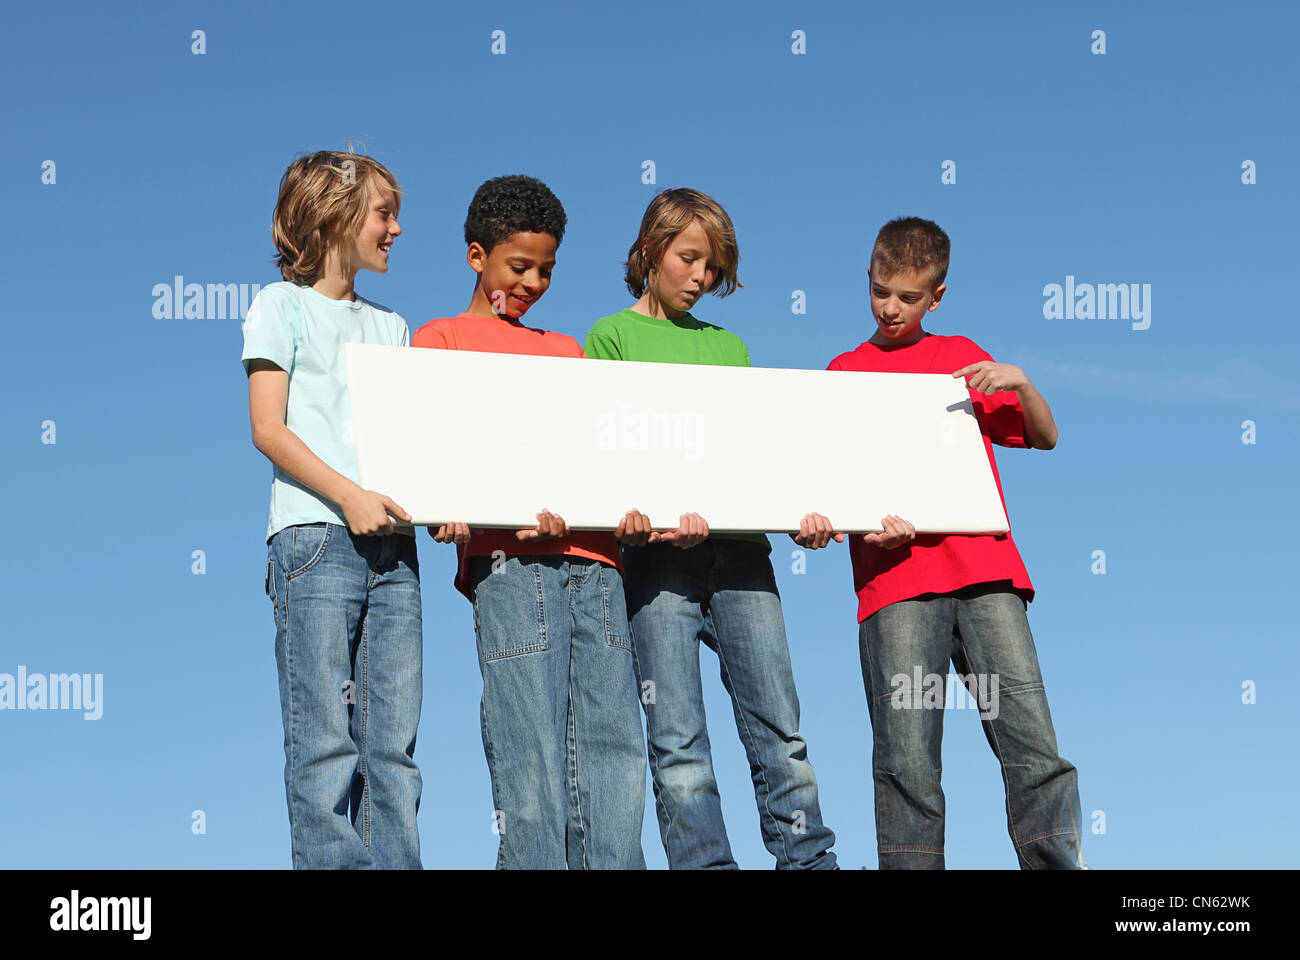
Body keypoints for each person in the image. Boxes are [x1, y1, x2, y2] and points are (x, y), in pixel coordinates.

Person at [585, 187, 839, 869]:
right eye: (689, 258)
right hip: (658, 565)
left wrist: (801, 515)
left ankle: (809, 861)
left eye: (713, 266)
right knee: (678, 742)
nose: (701, 277)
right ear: (649, 250)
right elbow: (606, 451)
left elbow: (750, 456)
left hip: (742, 557)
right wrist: (639, 517)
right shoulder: (609, 338)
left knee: (780, 729)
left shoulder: (730, 347)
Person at [827, 215, 1084, 869]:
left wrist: (1021, 382)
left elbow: (1046, 437)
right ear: (868, 276)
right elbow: (832, 488)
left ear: (936, 297)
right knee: (907, 759)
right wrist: (857, 522)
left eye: (908, 297)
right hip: (895, 583)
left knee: (1033, 744)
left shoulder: (961, 358)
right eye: (881, 291)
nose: (891, 307)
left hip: (986, 573)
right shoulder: (843, 373)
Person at [413, 174, 647, 869]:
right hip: (511, 567)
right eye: (520, 267)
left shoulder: (567, 350)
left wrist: (629, 506)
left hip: (597, 566)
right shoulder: (439, 340)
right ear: (476, 256)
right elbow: (429, 447)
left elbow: (596, 451)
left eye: (546, 270)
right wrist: (443, 507)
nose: (534, 283)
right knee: (531, 756)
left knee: (615, 753)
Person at [242, 150, 423, 869]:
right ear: (334, 216)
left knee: (393, 751)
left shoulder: (393, 326)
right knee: (324, 746)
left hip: (394, 551)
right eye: (384, 213)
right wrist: (349, 496)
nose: (396, 229)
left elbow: (405, 444)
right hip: (316, 541)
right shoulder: (279, 306)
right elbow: (267, 428)